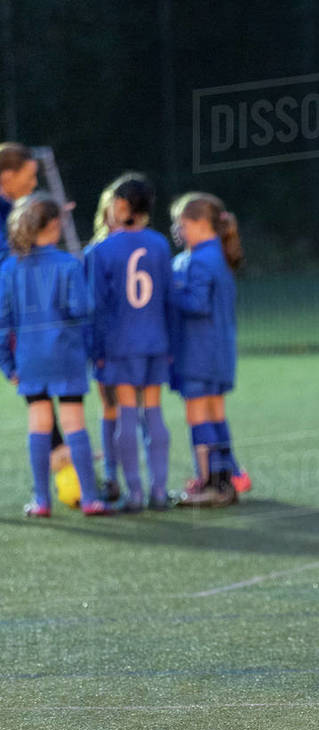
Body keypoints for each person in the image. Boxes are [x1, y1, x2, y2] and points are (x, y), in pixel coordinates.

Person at [0, 193, 107, 516]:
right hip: (66, 356)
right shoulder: (68, 264)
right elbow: (82, 309)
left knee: (39, 425)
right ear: (54, 225)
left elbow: (3, 322)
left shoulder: (8, 268)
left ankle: (42, 500)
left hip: (30, 360)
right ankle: (90, 498)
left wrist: (8, 364)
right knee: (74, 423)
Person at [86, 175, 173, 511]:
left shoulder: (100, 250)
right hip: (156, 340)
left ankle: (134, 492)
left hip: (120, 345)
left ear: (121, 205)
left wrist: (97, 350)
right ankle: (160, 491)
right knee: (153, 412)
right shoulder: (160, 244)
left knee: (125, 414)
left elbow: (96, 307)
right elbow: (166, 297)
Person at [169, 192, 244, 507]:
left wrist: (166, 290)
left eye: (181, 224)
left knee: (198, 415)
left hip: (198, 352)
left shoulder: (199, 259)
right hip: (220, 352)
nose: (177, 230)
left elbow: (196, 304)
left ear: (201, 224)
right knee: (215, 413)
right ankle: (225, 479)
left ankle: (210, 483)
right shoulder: (219, 256)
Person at [84, 176, 127, 502]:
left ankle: (138, 478)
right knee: (110, 406)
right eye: (115, 206)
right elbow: (90, 305)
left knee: (135, 409)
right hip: (106, 344)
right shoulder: (95, 251)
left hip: (133, 343)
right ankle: (112, 476)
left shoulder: (141, 245)